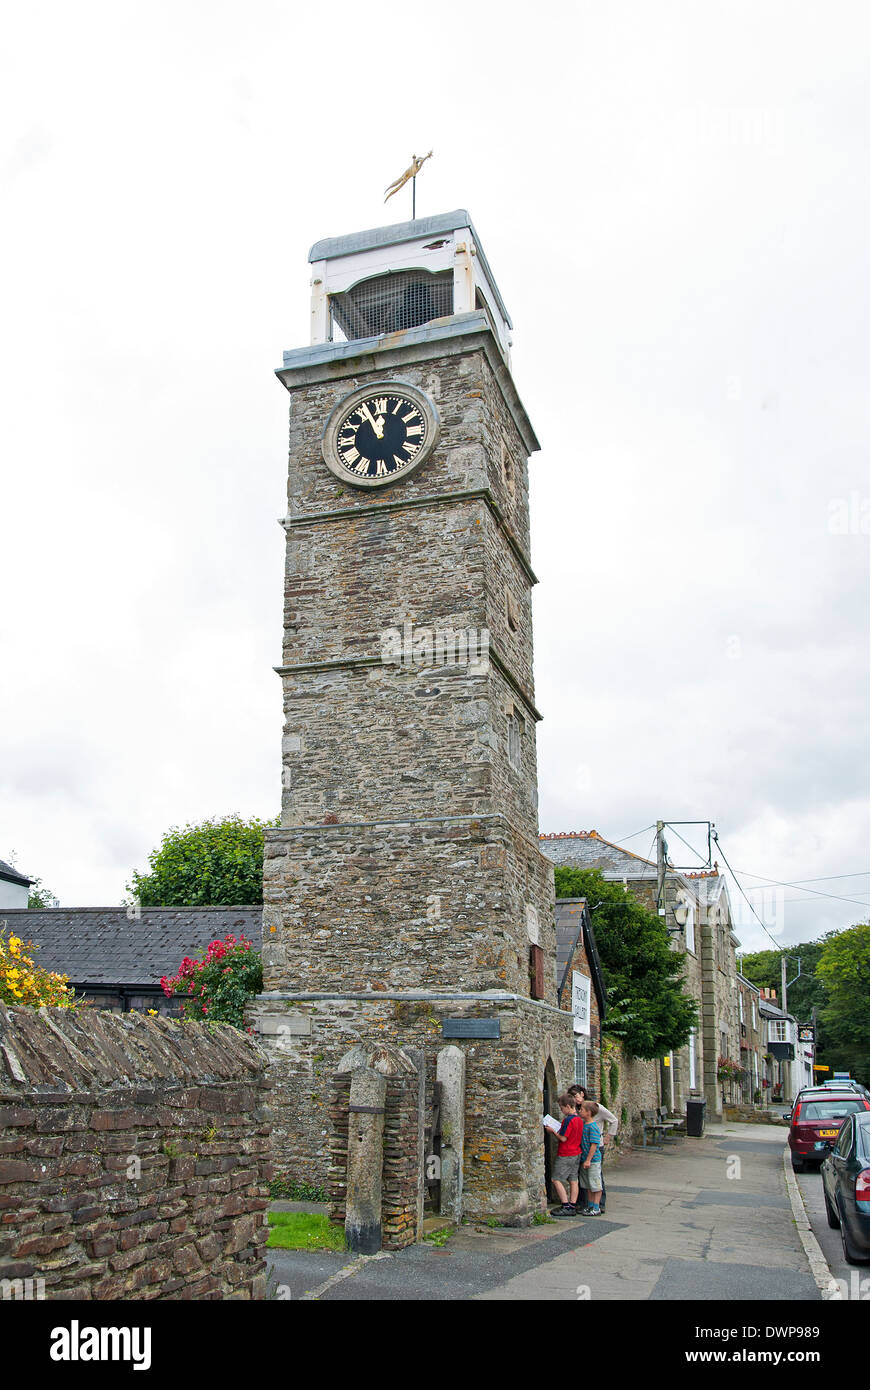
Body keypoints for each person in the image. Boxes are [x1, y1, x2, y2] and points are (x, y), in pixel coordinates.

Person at [568, 1085, 617, 1214]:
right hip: (583, 1148)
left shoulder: (595, 1108)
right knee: (586, 1179)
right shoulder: (578, 1111)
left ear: (582, 1094)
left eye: (576, 1096)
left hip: (595, 1148)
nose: (575, 1099)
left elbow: (614, 1120)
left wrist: (608, 1136)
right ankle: (587, 1203)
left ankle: (599, 1204)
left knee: (596, 1177)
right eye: (572, 1097)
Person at [544, 1093, 583, 1216]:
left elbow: (563, 1138)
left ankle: (565, 1205)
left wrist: (553, 1131)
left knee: (556, 1179)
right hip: (577, 1152)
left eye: (561, 1108)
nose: (561, 1111)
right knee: (573, 1180)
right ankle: (572, 1204)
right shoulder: (579, 1120)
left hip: (566, 1153)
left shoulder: (568, 1120)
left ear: (567, 1106)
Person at [577, 1100, 603, 1215]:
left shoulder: (593, 1127)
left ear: (588, 1112)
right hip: (585, 1160)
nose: (579, 1111)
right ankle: (590, 1205)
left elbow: (594, 1144)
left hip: (592, 1161)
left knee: (595, 1184)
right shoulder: (585, 1125)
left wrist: (588, 1160)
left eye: (581, 1109)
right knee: (588, 1184)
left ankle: (596, 1207)